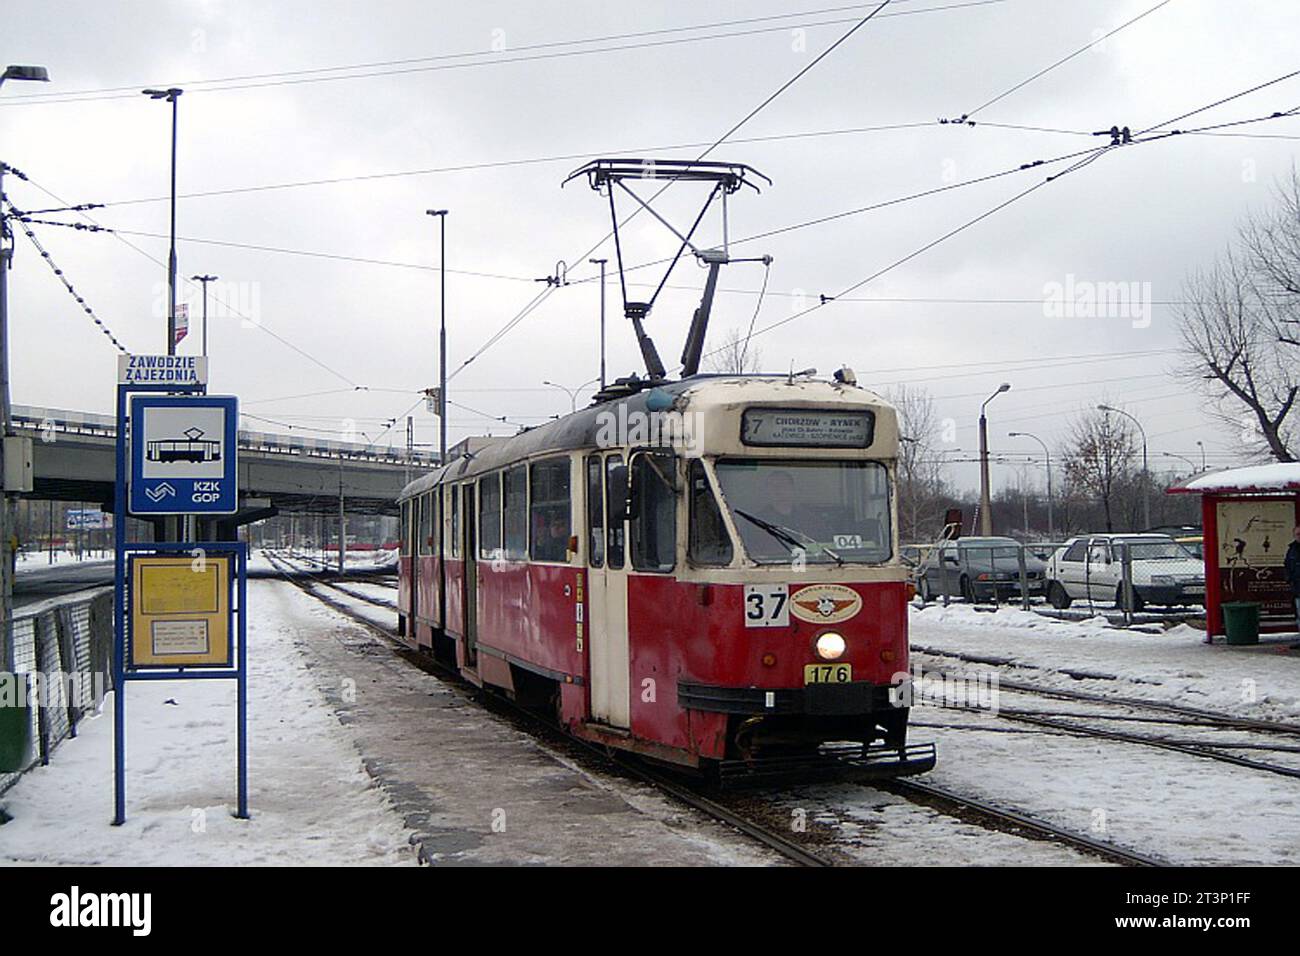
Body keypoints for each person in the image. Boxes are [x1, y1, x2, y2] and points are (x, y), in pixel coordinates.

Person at [1286, 525, 1300, 650]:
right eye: (1297, 534)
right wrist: (1289, 579)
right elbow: (1287, 565)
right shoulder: (1292, 549)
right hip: (1298, 588)